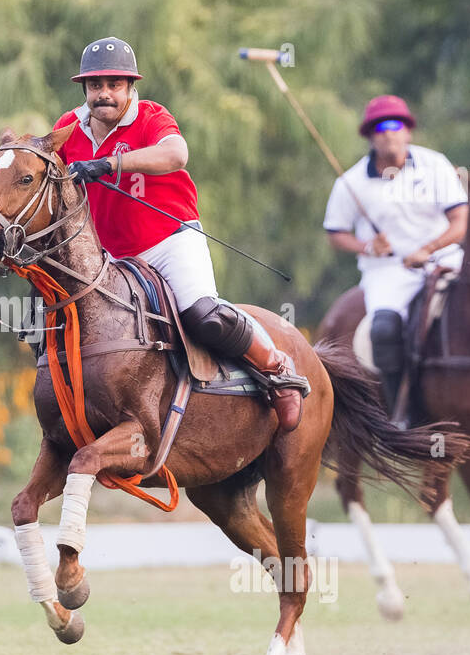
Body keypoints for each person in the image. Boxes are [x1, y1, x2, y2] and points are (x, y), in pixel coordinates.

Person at [56, 37, 308, 431]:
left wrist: (107, 164)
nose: (104, 94)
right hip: (109, 259)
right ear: (84, 89)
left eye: (114, 85)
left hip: (169, 241)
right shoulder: (67, 128)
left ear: (130, 88)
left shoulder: (151, 115)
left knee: (202, 314)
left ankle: (278, 369)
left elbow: (176, 155)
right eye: (95, 85)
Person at [322, 95, 469, 418]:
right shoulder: (351, 182)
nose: (388, 132)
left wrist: (427, 249)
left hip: (445, 259)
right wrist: (367, 246)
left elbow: (460, 222)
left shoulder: (435, 164)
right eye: (380, 127)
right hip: (388, 271)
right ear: (370, 136)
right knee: (384, 330)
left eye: (395, 125)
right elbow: (336, 234)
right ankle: (401, 415)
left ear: (408, 132)